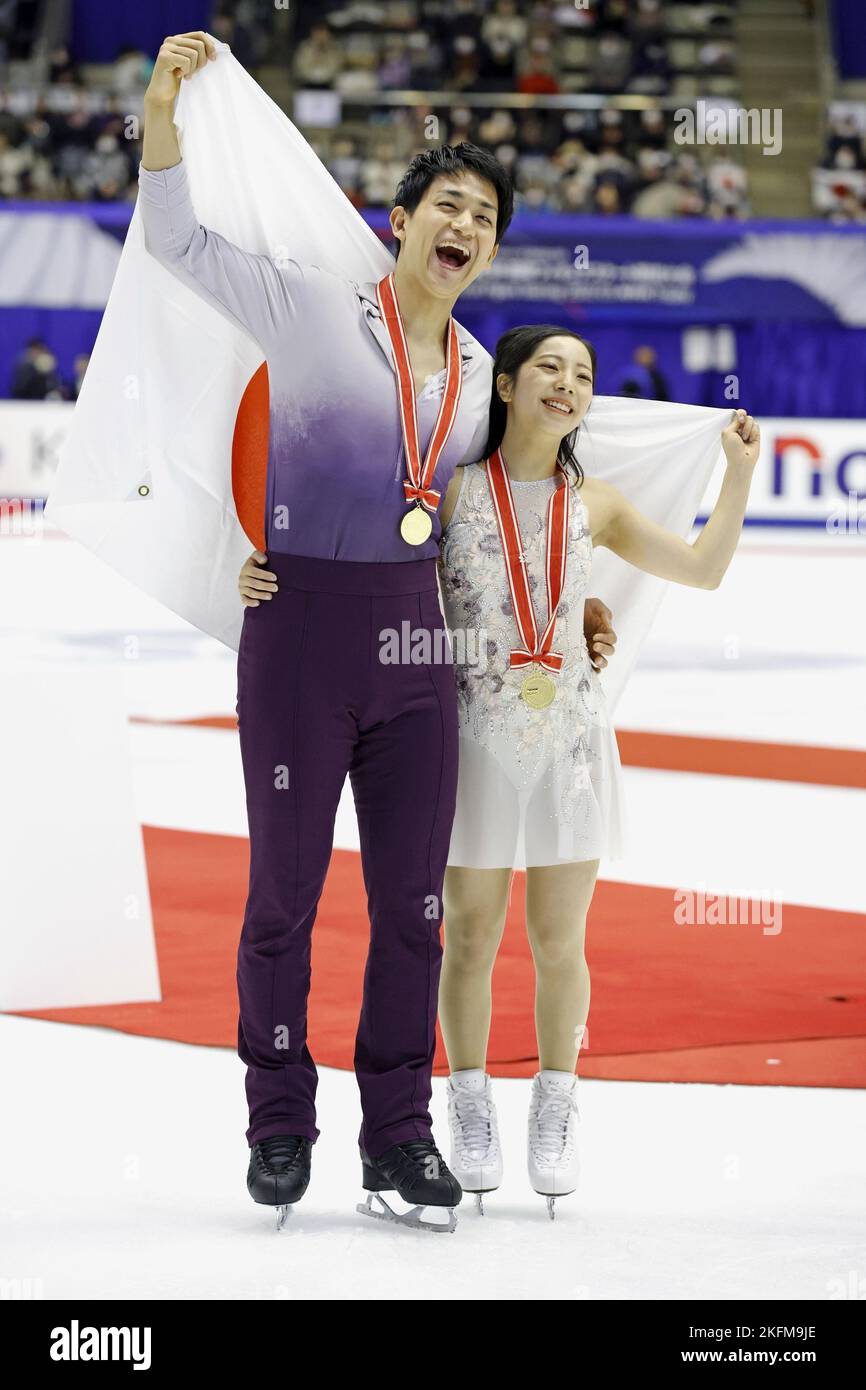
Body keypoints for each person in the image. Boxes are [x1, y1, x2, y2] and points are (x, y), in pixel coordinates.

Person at [140, 32, 618, 1231]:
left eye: (485, 220)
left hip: (420, 653)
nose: (464, 228)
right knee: (281, 900)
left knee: (416, 907)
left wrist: (577, 601)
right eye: (446, 205)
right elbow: (176, 240)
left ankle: (398, 1138)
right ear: (398, 219)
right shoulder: (308, 308)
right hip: (298, 629)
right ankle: (279, 1123)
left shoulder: (477, 373)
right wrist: (162, 110)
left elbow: (522, 496)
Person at [241, 329, 759, 1219]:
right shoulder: (449, 493)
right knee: (468, 934)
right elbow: (361, 547)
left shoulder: (596, 501)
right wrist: (262, 560)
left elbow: (704, 571)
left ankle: (556, 1107)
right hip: (467, 731)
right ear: (508, 386)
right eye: (551, 369)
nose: (569, 384)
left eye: (585, 374)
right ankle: (466, 1105)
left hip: (567, 735)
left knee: (563, 939)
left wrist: (739, 473)